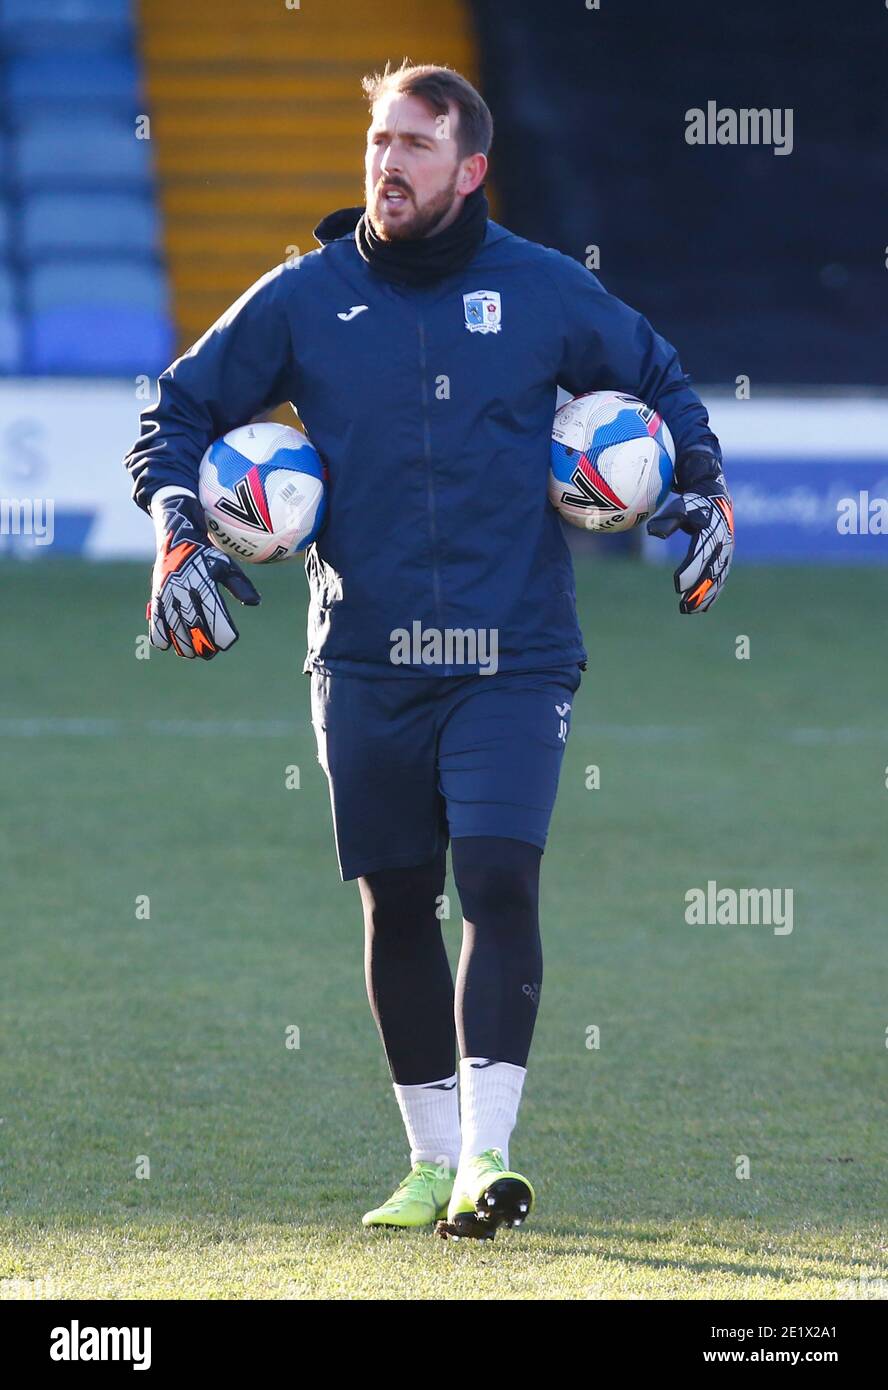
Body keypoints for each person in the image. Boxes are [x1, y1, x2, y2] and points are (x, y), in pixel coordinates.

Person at [124, 61, 734, 1241]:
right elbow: (177, 411)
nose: (386, 164)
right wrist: (173, 532)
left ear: (472, 168)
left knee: (497, 880)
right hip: (362, 655)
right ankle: (431, 1161)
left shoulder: (546, 290)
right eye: (377, 142)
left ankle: (489, 1158)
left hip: (515, 649)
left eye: (413, 144)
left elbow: (658, 380)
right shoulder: (305, 298)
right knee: (397, 900)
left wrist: (705, 488)